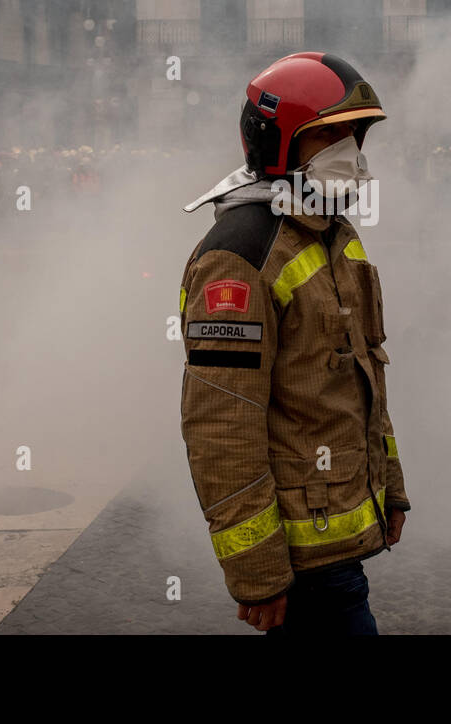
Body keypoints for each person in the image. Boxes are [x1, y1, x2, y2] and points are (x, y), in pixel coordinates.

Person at [179, 52, 410, 635]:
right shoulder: (239, 255)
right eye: (329, 136)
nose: (350, 154)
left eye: (354, 136)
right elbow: (221, 427)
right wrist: (257, 572)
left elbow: (359, 381)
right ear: (279, 143)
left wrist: (391, 489)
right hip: (299, 559)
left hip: (338, 536)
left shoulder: (336, 238)